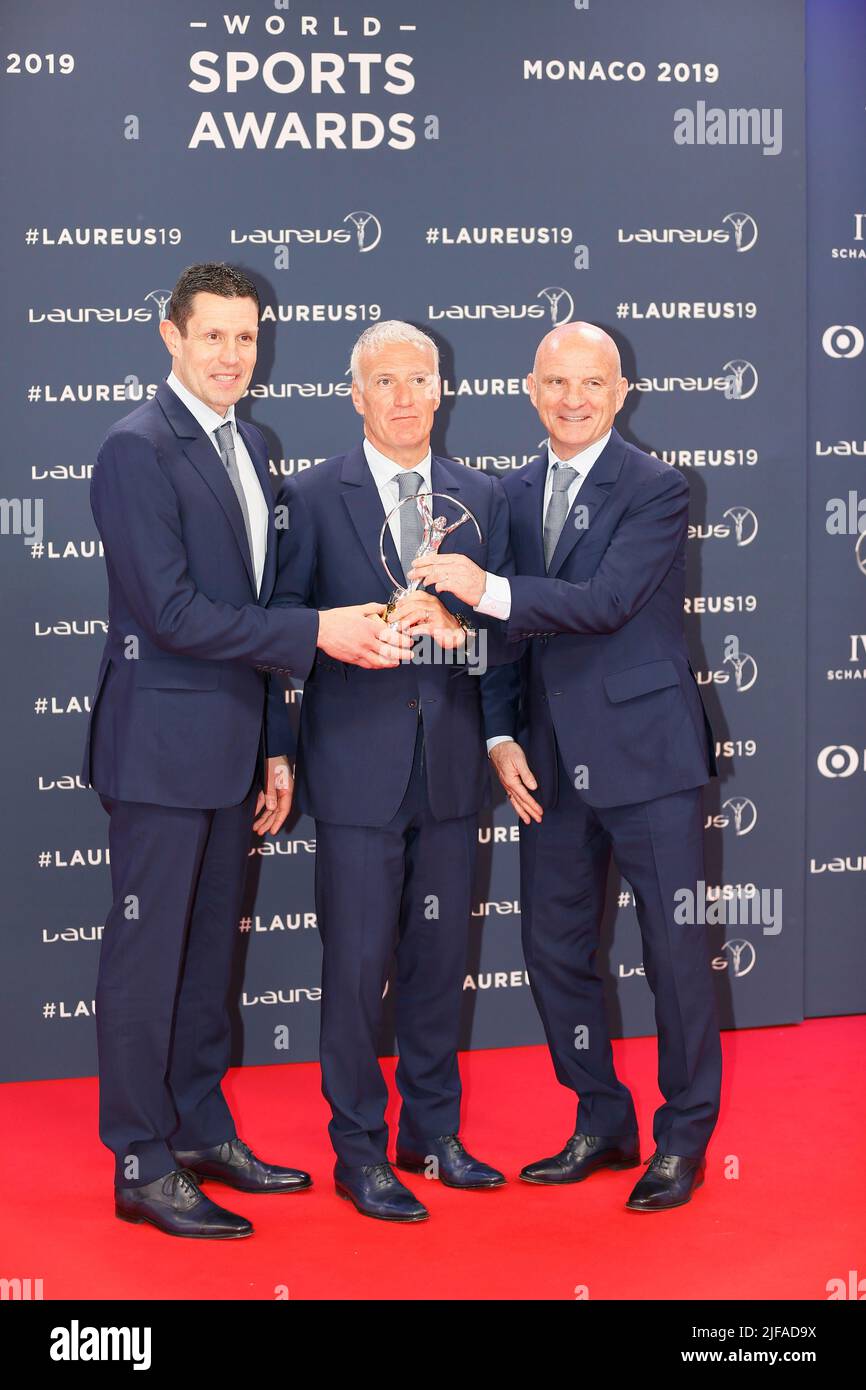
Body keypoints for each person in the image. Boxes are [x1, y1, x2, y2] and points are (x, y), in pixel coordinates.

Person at [82, 263, 407, 1240]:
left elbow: (255, 607)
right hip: (159, 749)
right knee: (148, 959)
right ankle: (139, 1157)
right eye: (213, 335)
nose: (231, 354)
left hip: (231, 750)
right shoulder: (134, 448)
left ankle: (197, 1127)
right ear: (170, 337)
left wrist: (274, 743)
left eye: (245, 337)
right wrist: (318, 634)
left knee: (203, 956)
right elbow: (173, 613)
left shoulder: (252, 442)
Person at [410, 322, 720, 1213]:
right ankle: (601, 1117)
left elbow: (608, 601)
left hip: (648, 756)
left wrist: (482, 590)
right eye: (557, 383)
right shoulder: (510, 495)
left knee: (674, 953)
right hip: (545, 759)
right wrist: (500, 734)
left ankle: (683, 1137)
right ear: (531, 391)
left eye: (592, 384)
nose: (574, 399)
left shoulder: (658, 487)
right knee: (553, 950)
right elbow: (506, 639)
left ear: (621, 394)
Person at [269, 320, 513, 1221]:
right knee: (357, 965)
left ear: (443, 389)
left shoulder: (483, 496)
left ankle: (433, 1135)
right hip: (356, 771)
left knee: (440, 962)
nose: (405, 396)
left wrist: (468, 639)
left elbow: (511, 640)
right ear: (356, 394)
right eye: (386, 382)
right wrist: (289, 729)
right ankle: (359, 1151)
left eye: (421, 378)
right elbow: (283, 631)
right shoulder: (311, 495)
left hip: (451, 773)